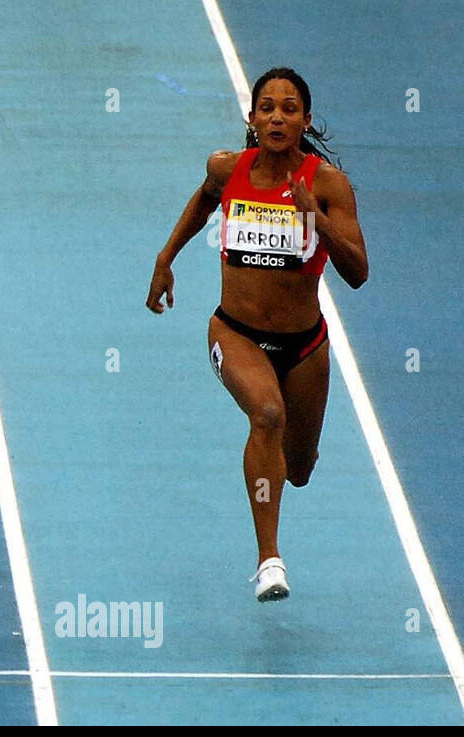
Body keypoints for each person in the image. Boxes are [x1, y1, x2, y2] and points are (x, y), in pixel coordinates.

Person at [147, 67, 368, 601]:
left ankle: (284, 489)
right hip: (235, 332)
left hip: (305, 344)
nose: (277, 117)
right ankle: (269, 559)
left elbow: (358, 272)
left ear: (305, 121)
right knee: (266, 414)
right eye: (266, 107)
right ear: (251, 118)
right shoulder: (228, 169)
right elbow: (204, 200)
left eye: (289, 108)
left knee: (299, 469)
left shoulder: (328, 186)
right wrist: (165, 257)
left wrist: (316, 217)